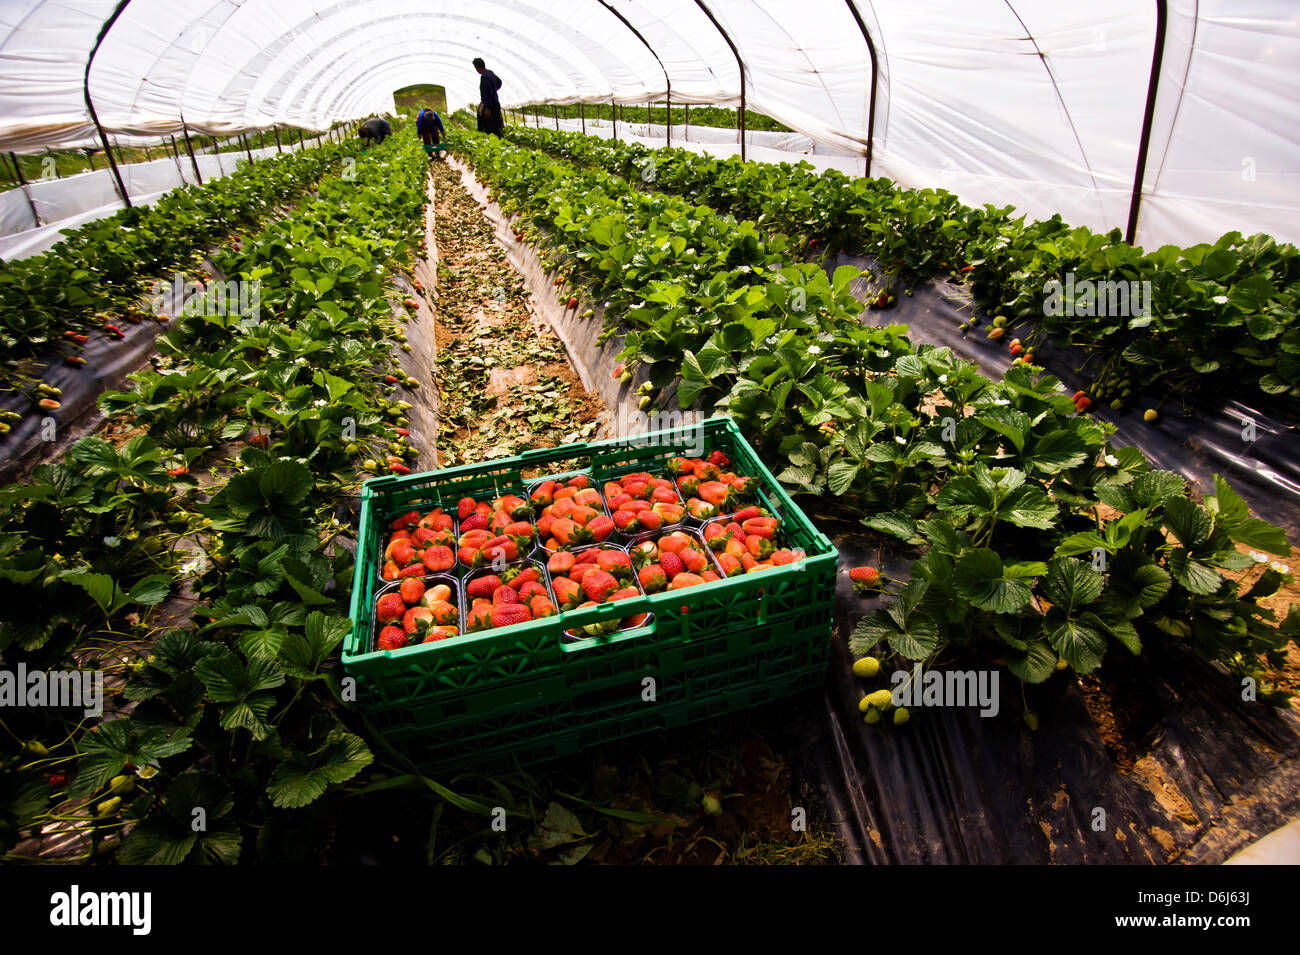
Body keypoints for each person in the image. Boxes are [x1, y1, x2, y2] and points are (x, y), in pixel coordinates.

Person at [473, 58, 504, 136]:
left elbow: (488, 94)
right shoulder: (490, 73)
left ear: (477, 67)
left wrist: (488, 108)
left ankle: (495, 143)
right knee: (495, 126)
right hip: (495, 103)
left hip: (490, 105)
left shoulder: (484, 77)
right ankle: (497, 141)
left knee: (491, 127)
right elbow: (499, 82)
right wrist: (494, 89)